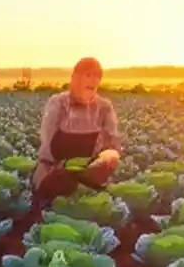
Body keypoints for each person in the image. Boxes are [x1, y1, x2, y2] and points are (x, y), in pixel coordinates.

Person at [32, 57, 123, 203]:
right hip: (54, 170)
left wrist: (106, 159)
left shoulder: (104, 107)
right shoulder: (58, 103)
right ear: (74, 78)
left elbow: (112, 144)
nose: (93, 81)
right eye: (88, 75)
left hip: (89, 172)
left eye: (97, 77)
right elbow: (47, 146)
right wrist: (63, 167)